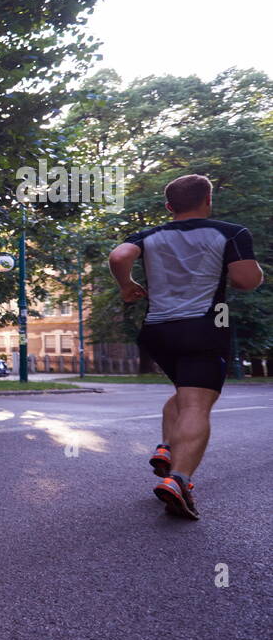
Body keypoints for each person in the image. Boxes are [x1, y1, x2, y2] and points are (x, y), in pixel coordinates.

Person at [108, 173, 263, 520]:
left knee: (185, 394)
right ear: (207, 200)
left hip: (157, 331)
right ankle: (179, 479)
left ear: (169, 206)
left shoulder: (148, 236)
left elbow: (119, 256)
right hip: (206, 327)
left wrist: (127, 285)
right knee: (196, 404)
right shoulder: (230, 232)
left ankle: (166, 449)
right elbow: (245, 280)